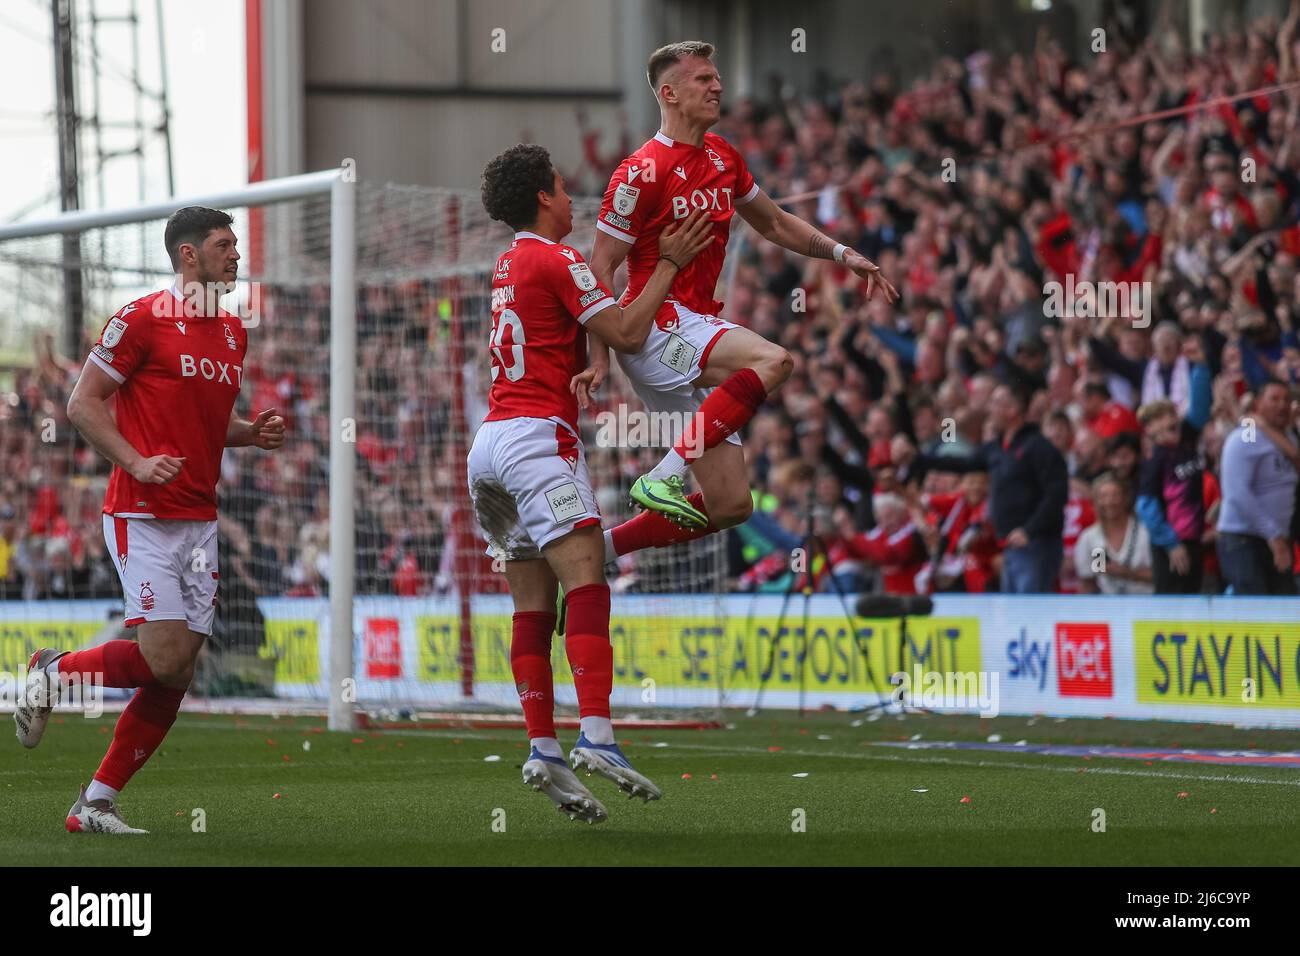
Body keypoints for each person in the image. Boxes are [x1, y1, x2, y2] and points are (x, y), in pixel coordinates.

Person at [15, 206, 286, 834]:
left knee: (177, 670)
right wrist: (136, 461)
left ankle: (96, 802)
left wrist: (249, 435)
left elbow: (206, 419)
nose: (236, 256)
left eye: (237, 245)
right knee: (163, 658)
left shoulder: (231, 332)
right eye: (224, 245)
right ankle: (52, 677)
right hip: (141, 513)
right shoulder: (140, 319)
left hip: (199, 518)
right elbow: (82, 405)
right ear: (188, 255)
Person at [470, 144, 712, 823]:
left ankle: (542, 748)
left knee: (531, 610)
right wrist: (668, 261)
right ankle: (599, 735)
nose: (571, 195)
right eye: (561, 185)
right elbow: (630, 327)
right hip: (537, 442)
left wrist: (590, 357)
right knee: (588, 581)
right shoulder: (559, 257)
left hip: (488, 446)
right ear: (544, 197)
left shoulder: (509, 261)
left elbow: (564, 329)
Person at [583, 39, 898, 556]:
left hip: (691, 325)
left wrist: (842, 253)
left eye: (716, 77)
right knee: (774, 360)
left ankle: (604, 551)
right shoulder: (640, 172)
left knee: (732, 504)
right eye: (703, 79)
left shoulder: (724, 155)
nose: (717, 86)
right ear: (670, 93)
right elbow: (600, 268)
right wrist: (599, 357)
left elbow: (774, 223)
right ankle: (662, 476)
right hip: (658, 325)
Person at [893, 384, 1068, 593]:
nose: (989, 409)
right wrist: (917, 458)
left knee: (1031, 612)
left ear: (1013, 409)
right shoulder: (996, 448)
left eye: (995, 403)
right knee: (1016, 614)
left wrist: (1029, 530)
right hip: (1010, 546)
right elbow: (961, 463)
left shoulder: (1039, 448)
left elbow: (1056, 496)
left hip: (1035, 545)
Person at [1134, 347, 1212, 593]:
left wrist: (1200, 368)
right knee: (1172, 610)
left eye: (1171, 415)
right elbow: (1145, 505)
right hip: (1171, 546)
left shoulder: (1186, 441)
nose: (1171, 421)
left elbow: (1199, 410)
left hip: (1193, 540)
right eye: (1161, 418)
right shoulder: (1155, 460)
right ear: (1150, 429)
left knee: (1192, 606)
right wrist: (1171, 543)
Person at [1216, 381, 1299, 594]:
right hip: (1245, 539)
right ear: (1258, 403)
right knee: (1254, 609)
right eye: (1274, 399)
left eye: (1286, 400)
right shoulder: (1249, 433)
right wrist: (1272, 534)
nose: (1282, 405)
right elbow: (1237, 493)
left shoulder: (1289, 436)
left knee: (1283, 610)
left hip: (1279, 538)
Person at [1074, 473, 1154, 595]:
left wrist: (1127, 573)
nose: (1109, 502)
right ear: (1096, 501)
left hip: (1145, 606)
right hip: (1108, 609)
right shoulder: (1090, 538)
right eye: (1103, 496)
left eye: (1115, 495)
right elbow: (1089, 582)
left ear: (1125, 498)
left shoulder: (1145, 532)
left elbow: (1160, 576)